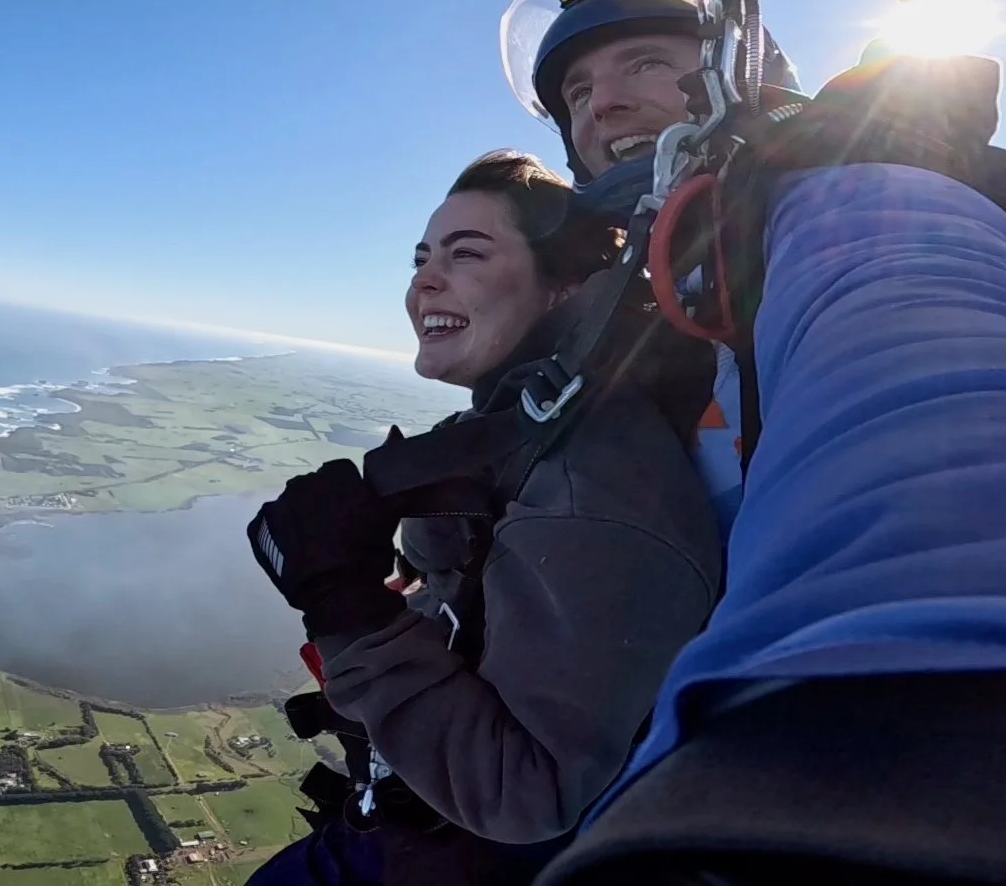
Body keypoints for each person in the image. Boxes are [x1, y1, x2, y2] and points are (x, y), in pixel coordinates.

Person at [504, 0, 1006, 883]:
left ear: (737, 74)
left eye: (643, 63)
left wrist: (908, 715)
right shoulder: (687, 283)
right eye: (580, 94)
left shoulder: (843, 183)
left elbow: (922, 338)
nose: (606, 105)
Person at [244, 150, 723, 886]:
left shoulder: (589, 482)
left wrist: (347, 607)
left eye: (466, 254)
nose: (423, 281)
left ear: (565, 286)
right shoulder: (529, 425)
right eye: (422, 257)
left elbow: (531, 793)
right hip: (416, 835)